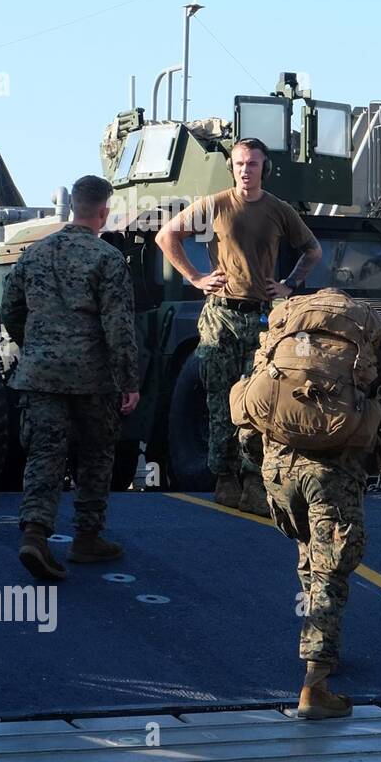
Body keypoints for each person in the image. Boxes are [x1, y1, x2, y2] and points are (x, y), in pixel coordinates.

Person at [236, 289, 381, 720]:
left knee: (310, 555)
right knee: (332, 570)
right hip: (332, 473)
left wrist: (261, 464)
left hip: (279, 470)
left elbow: (247, 415)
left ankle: (322, 641)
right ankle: (316, 682)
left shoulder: (282, 341)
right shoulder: (362, 350)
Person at [154, 138, 322, 514]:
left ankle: (253, 482)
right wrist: (197, 277)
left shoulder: (278, 210)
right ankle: (225, 480)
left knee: (258, 403)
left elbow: (312, 250)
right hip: (221, 317)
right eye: (240, 164)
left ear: (265, 168)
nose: (246, 170)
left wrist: (289, 284)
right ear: (232, 167)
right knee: (219, 401)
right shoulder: (215, 204)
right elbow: (166, 236)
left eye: (253, 164)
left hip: (262, 317)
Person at [2, 175, 141, 581]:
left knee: (45, 454)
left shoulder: (35, 255)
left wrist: (34, 346)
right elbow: (119, 326)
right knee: (96, 455)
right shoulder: (108, 260)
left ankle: (35, 534)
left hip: (40, 375)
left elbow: (10, 307)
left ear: (72, 206)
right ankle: (87, 538)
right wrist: (128, 381)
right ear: (103, 212)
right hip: (92, 379)